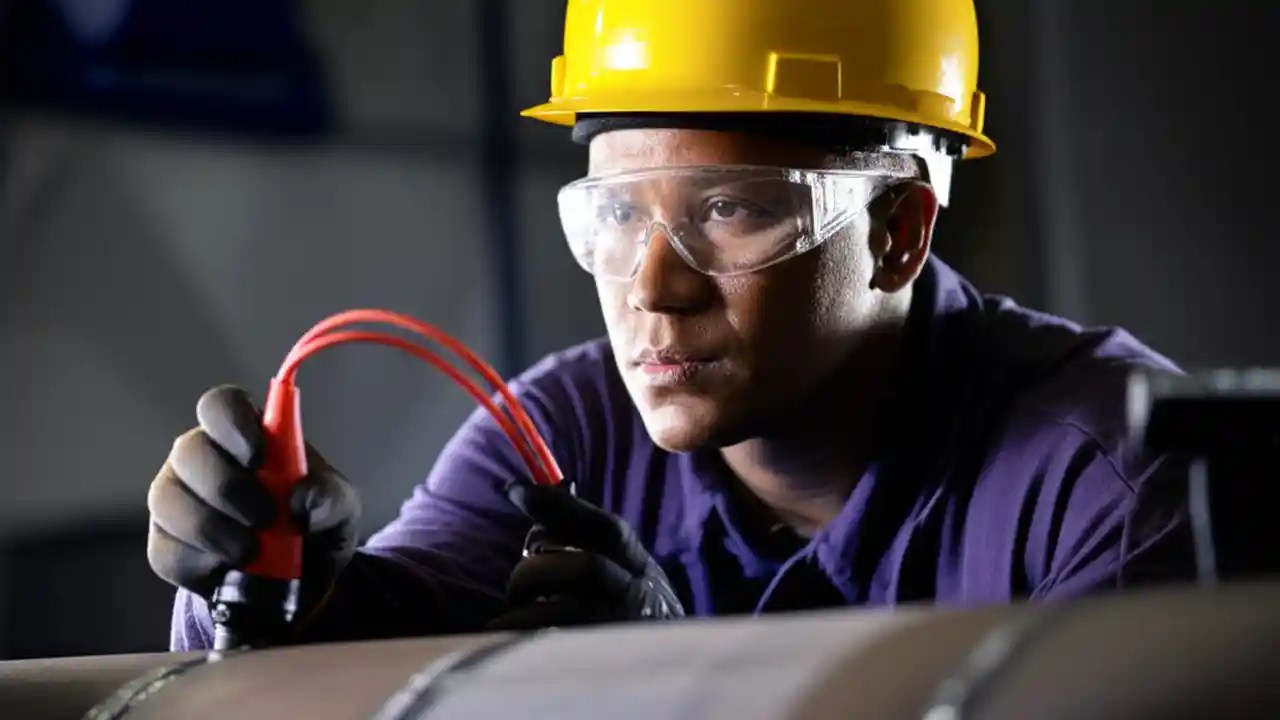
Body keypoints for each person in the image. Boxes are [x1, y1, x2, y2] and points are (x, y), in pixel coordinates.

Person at [148, 0, 1195, 651]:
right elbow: (367, 650)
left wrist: (676, 680)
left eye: (727, 209)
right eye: (614, 215)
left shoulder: (1109, 475)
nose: (651, 286)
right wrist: (271, 585)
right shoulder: (566, 431)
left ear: (896, 233)